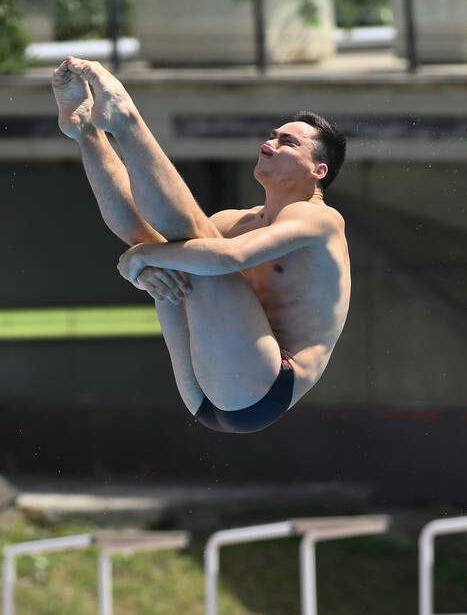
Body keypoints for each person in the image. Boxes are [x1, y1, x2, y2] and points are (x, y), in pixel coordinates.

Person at [51, 56, 350, 433]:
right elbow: (162, 251)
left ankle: (128, 121)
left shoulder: (320, 219)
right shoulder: (234, 220)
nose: (269, 143)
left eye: (287, 141)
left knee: (195, 248)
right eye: (271, 135)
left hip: (265, 386)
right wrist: (144, 267)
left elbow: (231, 256)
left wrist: (137, 261)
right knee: (173, 245)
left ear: (318, 171)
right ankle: (86, 131)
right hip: (203, 390)